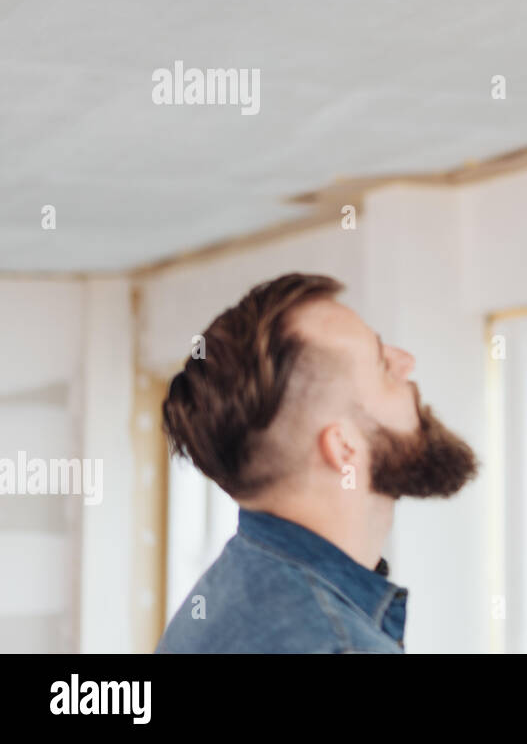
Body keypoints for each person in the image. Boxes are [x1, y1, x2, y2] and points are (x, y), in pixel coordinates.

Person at [154, 273, 478, 653]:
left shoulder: (223, 600)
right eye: (382, 365)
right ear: (343, 448)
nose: (406, 362)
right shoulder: (339, 644)